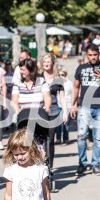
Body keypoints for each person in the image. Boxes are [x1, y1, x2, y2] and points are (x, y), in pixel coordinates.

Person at [70, 43, 100, 176]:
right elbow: (76, 87)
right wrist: (73, 105)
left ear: (99, 55)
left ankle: (96, 164)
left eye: (95, 55)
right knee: (81, 137)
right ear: (87, 55)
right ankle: (82, 164)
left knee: (98, 138)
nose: (93, 57)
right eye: (90, 55)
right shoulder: (81, 68)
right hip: (84, 107)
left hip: (99, 108)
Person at [11, 59, 52, 164]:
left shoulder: (41, 81)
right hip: (23, 117)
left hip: (38, 115)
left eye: (23, 69)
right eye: (20, 69)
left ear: (30, 70)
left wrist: (47, 107)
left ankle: (42, 157)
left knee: (41, 138)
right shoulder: (18, 84)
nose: (21, 72)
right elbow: (14, 100)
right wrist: (17, 110)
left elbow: (47, 97)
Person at [41, 53, 67, 187]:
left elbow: (62, 97)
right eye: (44, 61)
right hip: (40, 112)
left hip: (54, 111)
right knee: (39, 140)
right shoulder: (38, 78)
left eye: (49, 61)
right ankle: (40, 165)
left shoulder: (58, 79)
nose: (46, 63)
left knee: (50, 140)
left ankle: (49, 166)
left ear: (53, 63)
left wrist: (65, 112)